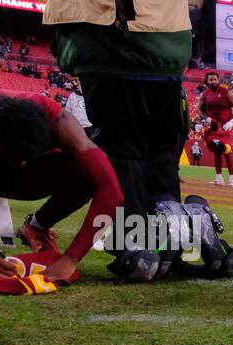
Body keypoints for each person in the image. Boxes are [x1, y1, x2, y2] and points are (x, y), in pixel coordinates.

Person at [0, 90, 123, 283]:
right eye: (19, 158)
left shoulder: (58, 118)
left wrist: (71, 258)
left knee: (87, 172)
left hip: (25, 173)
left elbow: (112, 192)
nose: (22, 164)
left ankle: (37, 226)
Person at [44, 0, 191, 235]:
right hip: (161, 42)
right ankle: (165, 242)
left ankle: (139, 243)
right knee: (158, 153)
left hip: (107, 42)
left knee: (128, 150)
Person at [198, 71, 233, 186]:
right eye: (210, 80)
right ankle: (219, 177)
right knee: (216, 151)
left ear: (219, 80)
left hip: (226, 127)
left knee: (226, 150)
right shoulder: (204, 94)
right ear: (207, 81)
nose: (213, 81)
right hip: (213, 127)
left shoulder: (227, 93)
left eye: (215, 79)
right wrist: (206, 118)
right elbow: (200, 110)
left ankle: (232, 178)